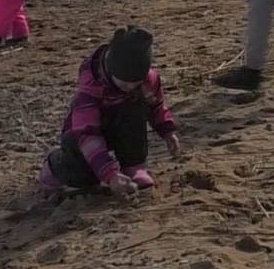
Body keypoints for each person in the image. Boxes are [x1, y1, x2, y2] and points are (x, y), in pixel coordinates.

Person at [39, 25, 180, 196]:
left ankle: (133, 167)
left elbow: (156, 105)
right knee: (83, 178)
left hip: (121, 127)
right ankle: (54, 164)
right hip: (83, 133)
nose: (129, 87)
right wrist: (109, 174)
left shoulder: (147, 81)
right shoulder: (90, 88)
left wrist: (167, 131)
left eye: (135, 83)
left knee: (134, 106)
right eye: (124, 82)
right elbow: (87, 133)